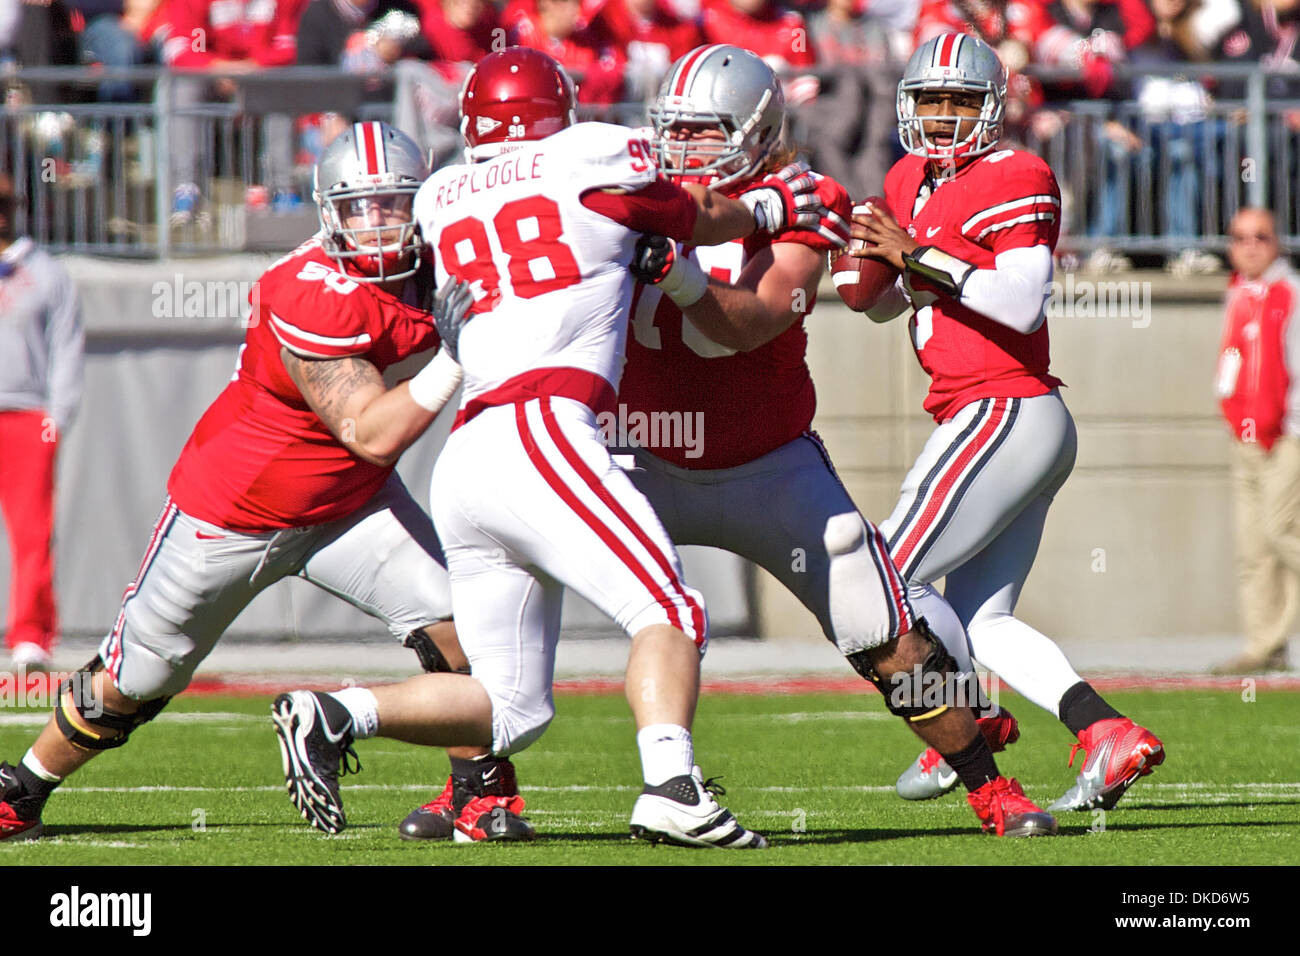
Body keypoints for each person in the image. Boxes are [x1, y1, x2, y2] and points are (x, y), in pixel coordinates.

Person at [271, 45, 830, 848]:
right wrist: (770, 210)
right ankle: (672, 788)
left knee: (511, 709)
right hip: (544, 426)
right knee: (669, 609)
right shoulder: (591, 154)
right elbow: (697, 213)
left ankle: (334, 712)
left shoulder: (439, 195)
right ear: (557, 113)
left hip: (466, 453)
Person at [610, 42, 1055, 838]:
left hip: (766, 462)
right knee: (502, 571)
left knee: (882, 628)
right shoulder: (626, 189)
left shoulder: (807, 197)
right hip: (636, 454)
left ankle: (989, 785)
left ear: (758, 131)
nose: (686, 147)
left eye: (707, 130)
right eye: (675, 128)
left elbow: (741, 326)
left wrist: (677, 270)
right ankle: (482, 786)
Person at [0, 122, 475, 842]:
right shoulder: (308, 289)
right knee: (136, 679)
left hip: (351, 503)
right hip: (233, 511)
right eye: (359, 206)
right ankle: (22, 789)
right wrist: (457, 356)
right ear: (328, 212)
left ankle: (478, 792)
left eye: (392, 203)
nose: (378, 222)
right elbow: (373, 431)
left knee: (464, 630)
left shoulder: (445, 259)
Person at [848, 32, 1165, 814]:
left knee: (879, 582)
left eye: (960, 100)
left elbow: (1022, 302)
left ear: (992, 107)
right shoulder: (906, 178)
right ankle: (1104, 730)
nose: (943, 115)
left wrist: (915, 253)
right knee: (982, 621)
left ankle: (967, 722)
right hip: (1000, 417)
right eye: (930, 100)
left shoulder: (1015, 173)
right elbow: (894, 303)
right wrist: (866, 268)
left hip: (1004, 405)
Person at [0, 173, 84, 674]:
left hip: (26, 415)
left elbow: (66, 350)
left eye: (6, 201)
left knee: (33, 533)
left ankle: (31, 634)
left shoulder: (47, 273)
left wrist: (56, 419)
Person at [1213, 207, 1299, 674]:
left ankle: (1270, 641)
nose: (1249, 246)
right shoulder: (1238, 292)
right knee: (1253, 548)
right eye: (1240, 237)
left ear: (1276, 242)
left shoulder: (1290, 292)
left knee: (1279, 531)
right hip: (1243, 435)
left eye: (1260, 237)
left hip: (1286, 435)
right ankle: (1265, 645)